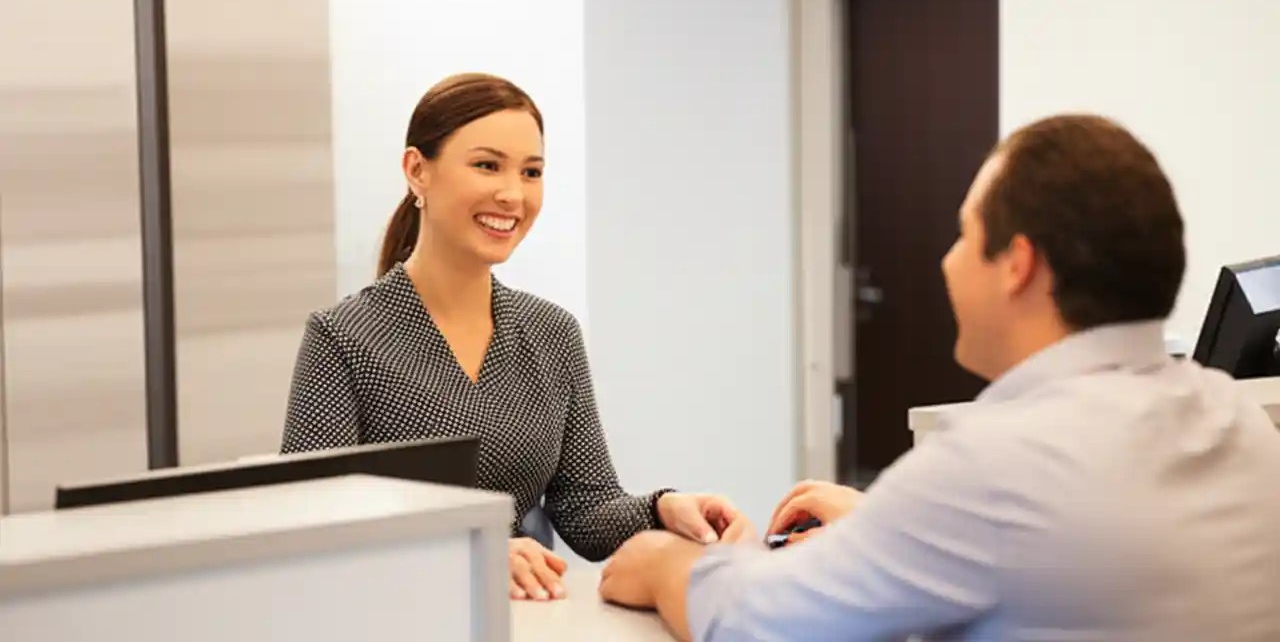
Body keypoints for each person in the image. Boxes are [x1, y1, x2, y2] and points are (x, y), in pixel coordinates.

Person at [598, 114, 1280, 640]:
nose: (948, 262)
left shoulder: (995, 467)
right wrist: (888, 528)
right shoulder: (1244, 427)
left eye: (963, 235)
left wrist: (664, 562)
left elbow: (754, 626)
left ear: (1017, 265)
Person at [281, 72, 743, 602]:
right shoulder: (342, 337)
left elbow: (586, 509)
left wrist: (662, 507)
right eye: (487, 165)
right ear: (417, 170)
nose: (512, 194)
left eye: (531, 172)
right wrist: (467, 553)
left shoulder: (552, 332)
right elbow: (313, 530)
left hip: (528, 620)